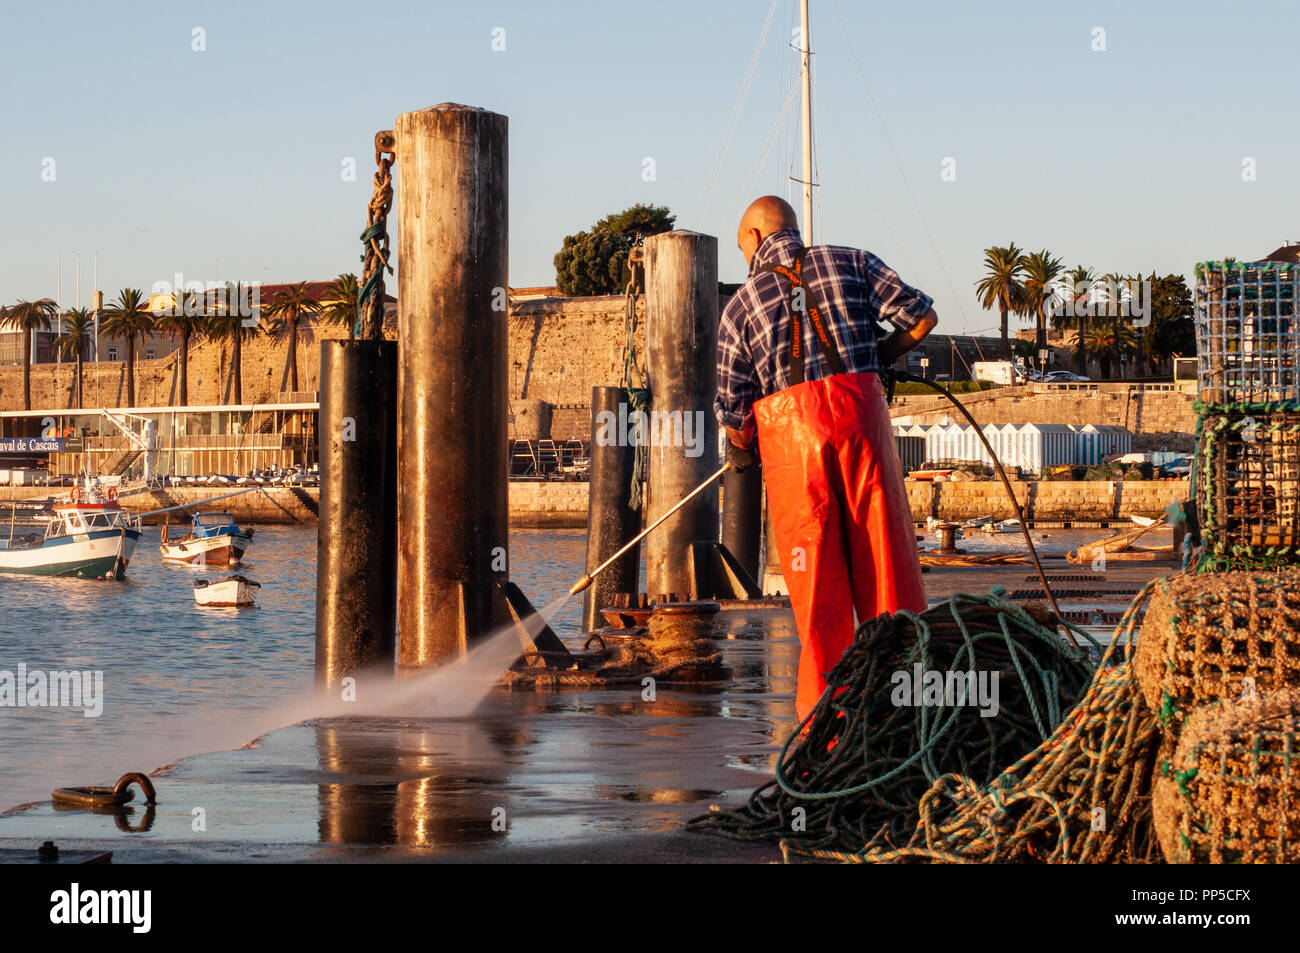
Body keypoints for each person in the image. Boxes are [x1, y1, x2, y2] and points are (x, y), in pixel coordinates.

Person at [714, 195, 937, 724]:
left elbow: (733, 413)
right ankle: (907, 716)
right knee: (889, 574)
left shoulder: (740, 308)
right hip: (863, 432)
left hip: (795, 453)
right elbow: (923, 317)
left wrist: (742, 449)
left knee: (817, 596)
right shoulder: (854, 261)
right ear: (793, 227)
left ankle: (827, 731)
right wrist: (880, 355)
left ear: (750, 239)